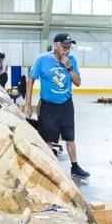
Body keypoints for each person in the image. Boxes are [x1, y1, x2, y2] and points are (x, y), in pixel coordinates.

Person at [25, 33, 89, 178]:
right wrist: (28, 104)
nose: (67, 50)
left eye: (69, 47)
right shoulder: (42, 60)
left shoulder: (71, 60)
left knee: (70, 138)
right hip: (48, 106)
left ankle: (75, 166)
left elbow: (78, 82)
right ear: (56, 45)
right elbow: (31, 80)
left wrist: (69, 67)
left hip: (66, 105)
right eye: (65, 46)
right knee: (48, 138)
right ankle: (51, 168)